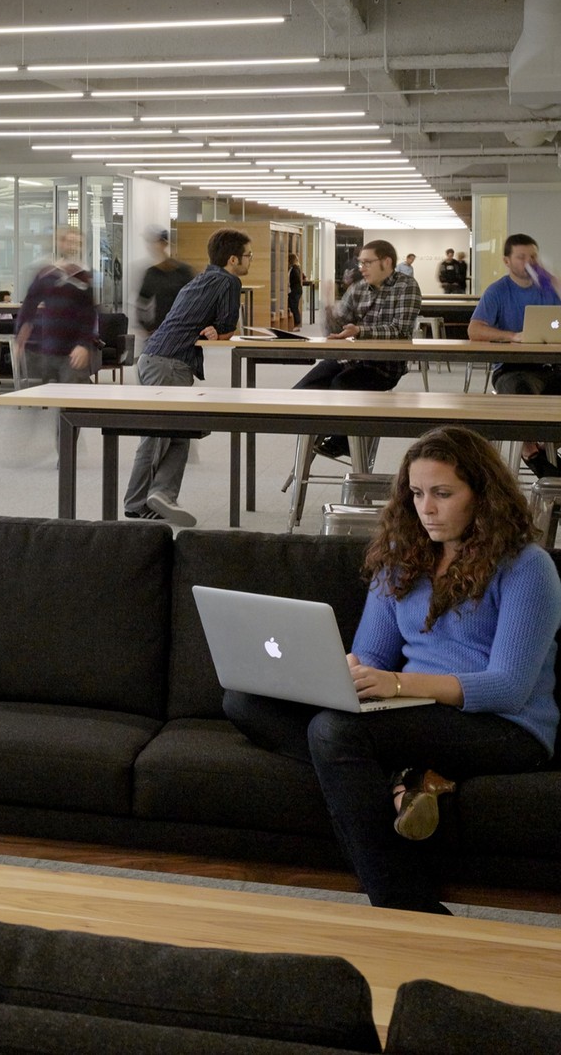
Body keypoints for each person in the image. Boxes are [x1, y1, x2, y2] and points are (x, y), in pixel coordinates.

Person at [224, 428, 559, 914]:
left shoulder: (527, 567)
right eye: (417, 494)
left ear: (482, 495)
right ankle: (403, 782)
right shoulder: (402, 558)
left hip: (505, 727)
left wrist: (398, 685)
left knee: (335, 733)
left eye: (443, 493)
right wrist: (347, 672)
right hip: (417, 713)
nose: (427, 508)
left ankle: (407, 906)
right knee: (246, 700)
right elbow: (372, 655)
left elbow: (508, 687)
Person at [124, 228, 251, 528]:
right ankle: (136, 503)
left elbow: (210, 325)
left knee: (181, 434)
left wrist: (213, 330)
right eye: (248, 255)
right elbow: (227, 327)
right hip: (168, 365)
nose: (250, 260)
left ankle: (161, 494)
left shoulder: (201, 278)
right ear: (233, 260)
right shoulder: (229, 281)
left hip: (155, 358)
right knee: (157, 437)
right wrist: (219, 331)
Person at [298, 240, 420, 463]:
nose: (361, 268)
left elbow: (400, 330)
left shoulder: (406, 286)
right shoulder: (358, 288)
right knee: (304, 389)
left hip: (384, 366)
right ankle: (323, 431)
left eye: (367, 262)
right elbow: (337, 330)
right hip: (351, 359)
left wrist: (361, 331)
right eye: (360, 263)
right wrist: (329, 309)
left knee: (341, 385)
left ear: (386, 262)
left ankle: (342, 440)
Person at [467, 233, 561, 477]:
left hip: (550, 366)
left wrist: (554, 281)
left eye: (533, 257)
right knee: (523, 395)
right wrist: (512, 336)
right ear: (506, 261)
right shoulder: (497, 291)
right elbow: (474, 330)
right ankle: (530, 451)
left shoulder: (548, 289)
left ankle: (546, 446)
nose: (529, 262)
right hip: (512, 368)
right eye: (521, 257)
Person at [14, 227, 98, 456]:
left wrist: (84, 344)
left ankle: (66, 453)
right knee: (34, 402)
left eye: (77, 242)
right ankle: (27, 447)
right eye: (69, 241)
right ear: (60, 243)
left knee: (70, 406)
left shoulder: (83, 276)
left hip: (73, 352)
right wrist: (22, 330)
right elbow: (30, 302)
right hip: (47, 347)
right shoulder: (46, 273)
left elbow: (89, 314)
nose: (73, 245)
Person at [133, 229, 194, 336]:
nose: (151, 246)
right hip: (160, 331)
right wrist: (145, 326)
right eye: (149, 243)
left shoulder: (183, 271)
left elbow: (195, 300)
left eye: (154, 242)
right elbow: (142, 301)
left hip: (181, 330)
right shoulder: (152, 273)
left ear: (164, 244)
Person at [287, 251, 305, 328]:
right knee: (293, 305)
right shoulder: (295, 268)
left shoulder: (294, 268)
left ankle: (297, 323)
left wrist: (290, 283)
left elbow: (297, 278)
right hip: (296, 290)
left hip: (296, 290)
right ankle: (296, 323)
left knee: (294, 306)